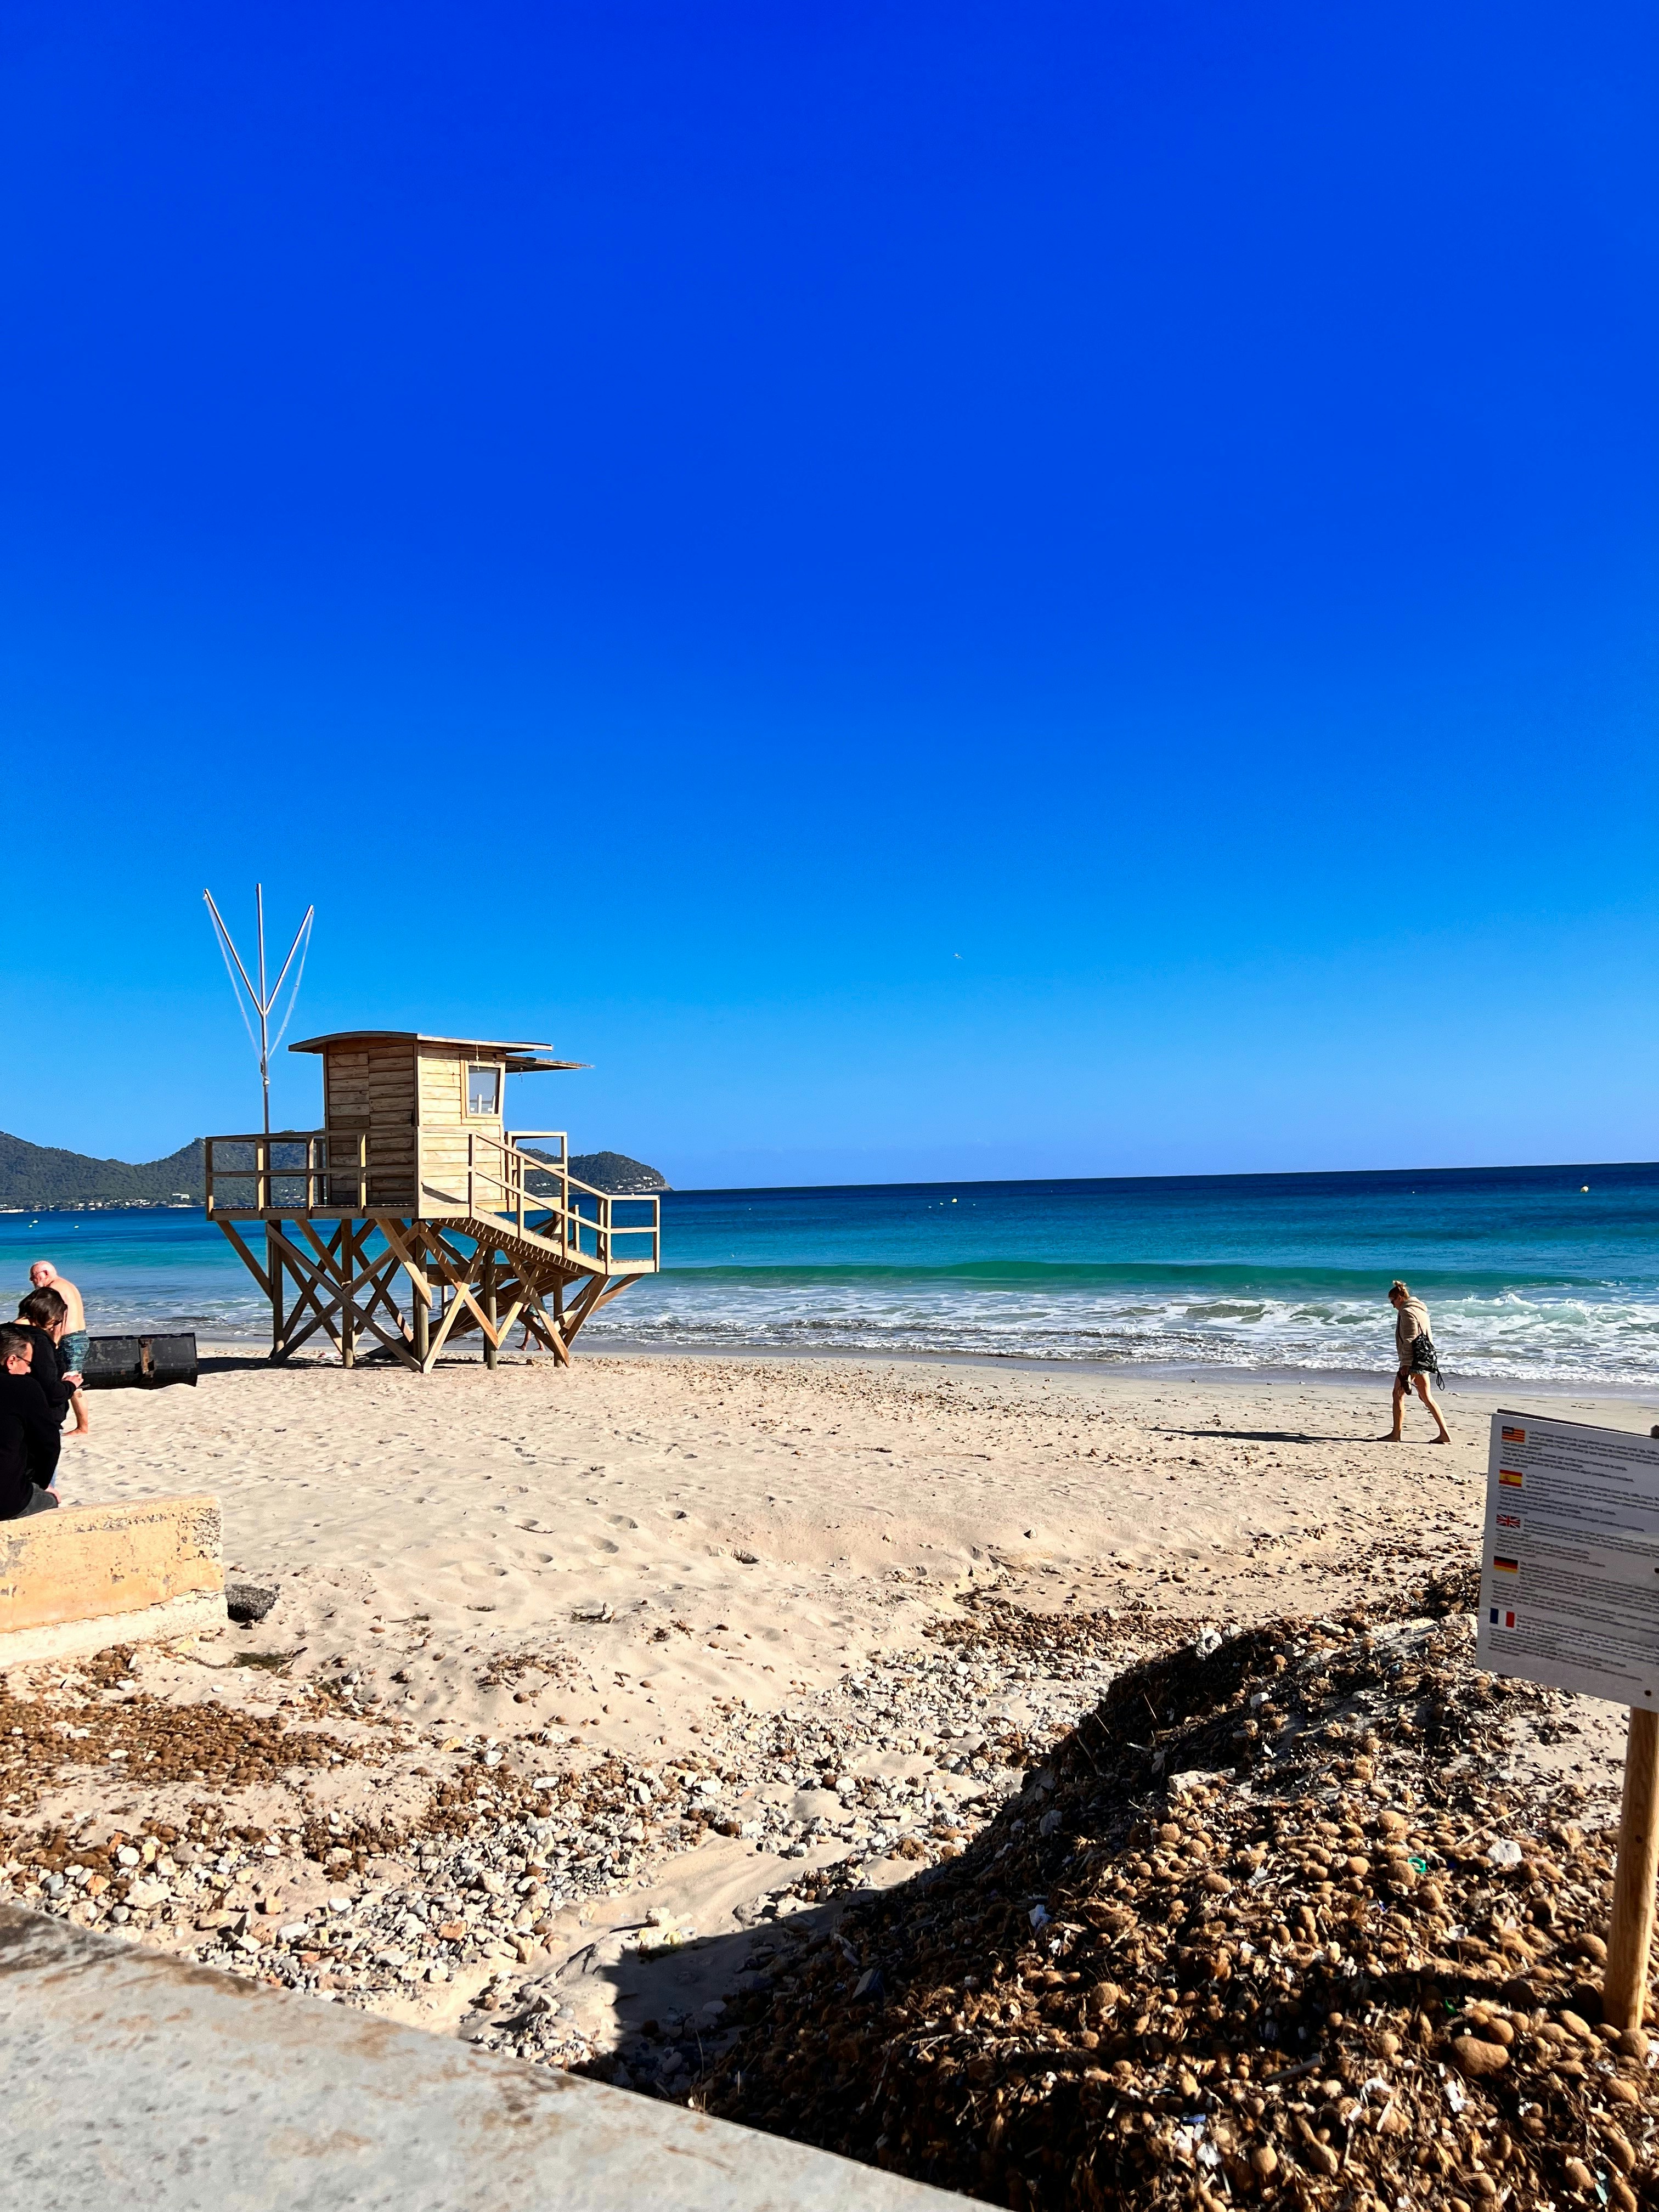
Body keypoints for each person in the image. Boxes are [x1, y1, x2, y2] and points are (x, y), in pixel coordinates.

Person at [0, 1323, 61, 1516]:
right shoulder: (24, 1388)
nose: (28, 1371)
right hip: (6, 1502)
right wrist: (39, 1485)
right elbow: (49, 1444)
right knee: (52, 1499)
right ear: (11, 1361)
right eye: (28, 1364)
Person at [1384, 1279, 1451, 1443]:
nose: (1393, 1306)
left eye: (1393, 1302)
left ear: (1399, 1298)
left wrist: (1406, 1364)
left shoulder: (1407, 1312)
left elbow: (1409, 1339)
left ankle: (1396, 1434)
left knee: (1397, 1394)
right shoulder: (1421, 1310)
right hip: (1423, 1360)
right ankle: (1444, 1434)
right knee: (1426, 1397)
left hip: (1412, 1362)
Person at [29, 1260, 89, 1437]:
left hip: (69, 1339)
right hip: (77, 1337)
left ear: (46, 1273)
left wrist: (52, 1343)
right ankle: (80, 1425)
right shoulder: (66, 1285)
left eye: (34, 1276)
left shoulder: (53, 1289)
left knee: (73, 1382)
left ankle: (83, 1427)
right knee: (71, 1380)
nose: (32, 1281)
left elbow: (59, 1319)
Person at [15, 1288, 78, 1430]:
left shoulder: (4, 1333)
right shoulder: (39, 1341)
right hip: (38, 1420)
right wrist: (70, 1385)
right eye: (56, 1322)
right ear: (48, 1314)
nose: (54, 1326)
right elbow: (52, 1391)